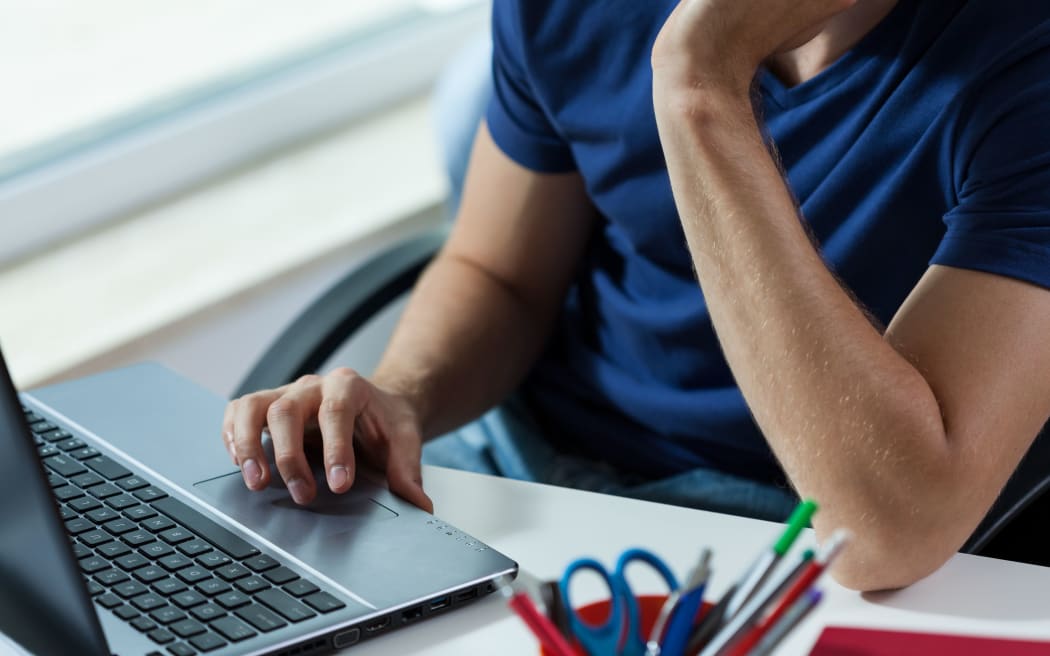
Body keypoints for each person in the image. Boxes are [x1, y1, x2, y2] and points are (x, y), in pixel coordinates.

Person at [221, 0, 1050, 591]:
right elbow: (500, 277)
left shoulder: (1023, 62)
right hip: (510, 471)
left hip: (771, 530)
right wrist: (399, 396)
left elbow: (886, 534)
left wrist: (699, 85)